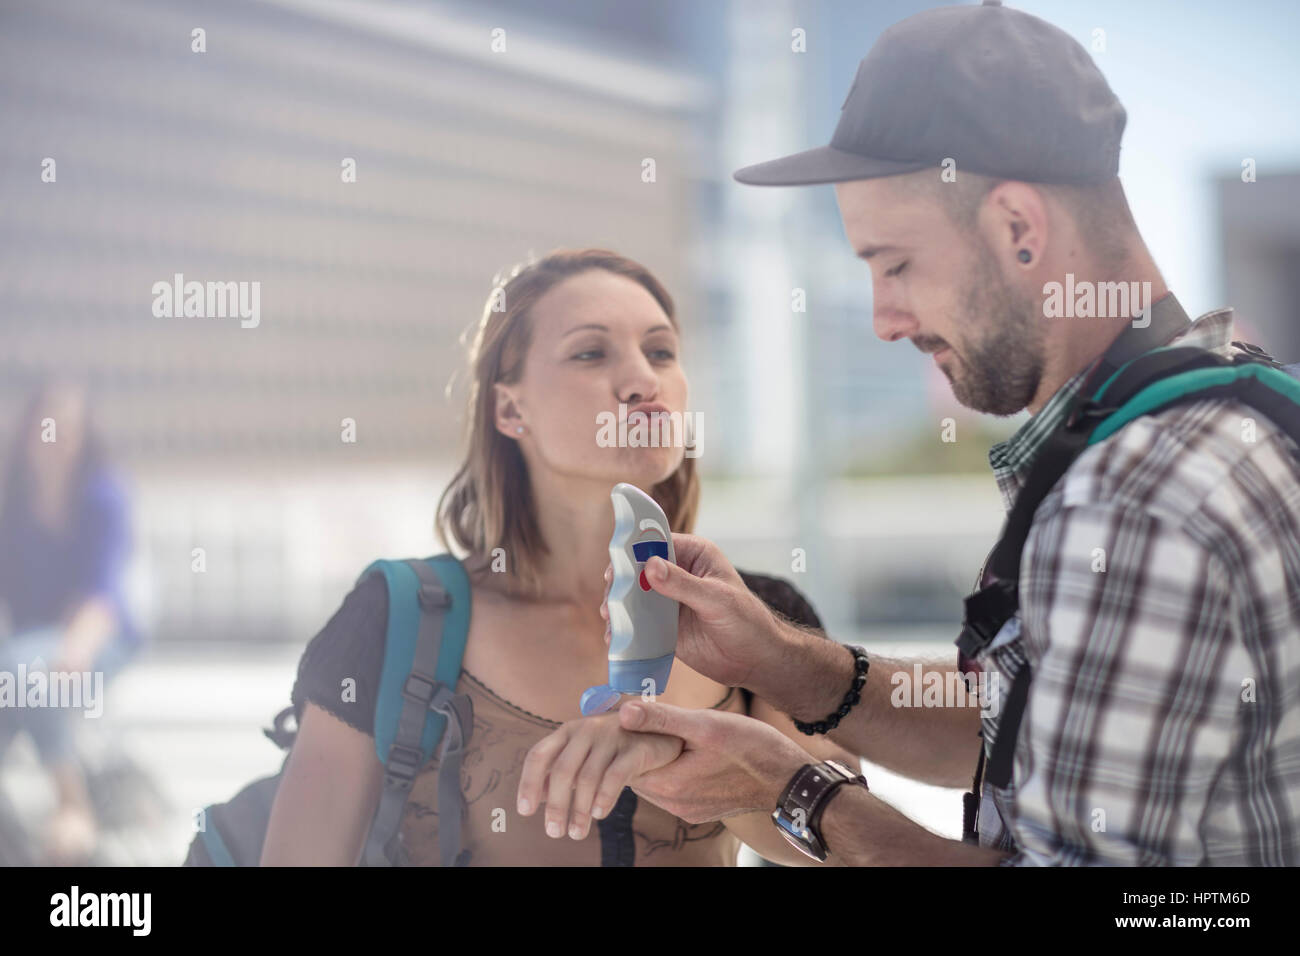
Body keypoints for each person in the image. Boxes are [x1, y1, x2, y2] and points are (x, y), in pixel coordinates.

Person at [522, 1, 1300, 866]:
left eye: (896, 264)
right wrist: (783, 659)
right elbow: (1023, 729)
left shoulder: (1133, 498)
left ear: (1017, 229)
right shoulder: (1232, 405)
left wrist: (786, 790)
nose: (886, 320)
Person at [262, 248, 856, 866]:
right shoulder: (399, 617)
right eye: (590, 353)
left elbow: (848, 849)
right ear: (511, 410)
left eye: (660, 352)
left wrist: (687, 753)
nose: (642, 382)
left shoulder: (764, 618)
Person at [0, 379, 142, 865]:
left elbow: (104, 592)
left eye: (68, 430)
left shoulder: (103, 496)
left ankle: (71, 803)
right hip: (27, 645)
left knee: (26, 674)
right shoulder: (13, 501)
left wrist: (75, 647)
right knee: (13, 675)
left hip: (97, 636)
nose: (56, 440)